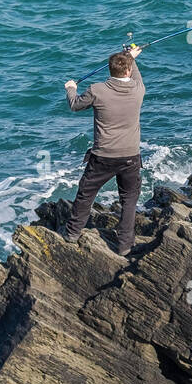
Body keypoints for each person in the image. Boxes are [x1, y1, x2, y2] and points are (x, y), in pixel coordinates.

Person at [62, 46, 145, 255]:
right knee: (128, 200)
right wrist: (130, 58)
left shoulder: (97, 90)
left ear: (110, 71)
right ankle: (125, 246)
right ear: (127, 70)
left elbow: (74, 105)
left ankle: (72, 233)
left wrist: (71, 87)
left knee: (85, 195)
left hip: (103, 157)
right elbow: (133, 74)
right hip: (130, 157)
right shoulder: (138, 89)